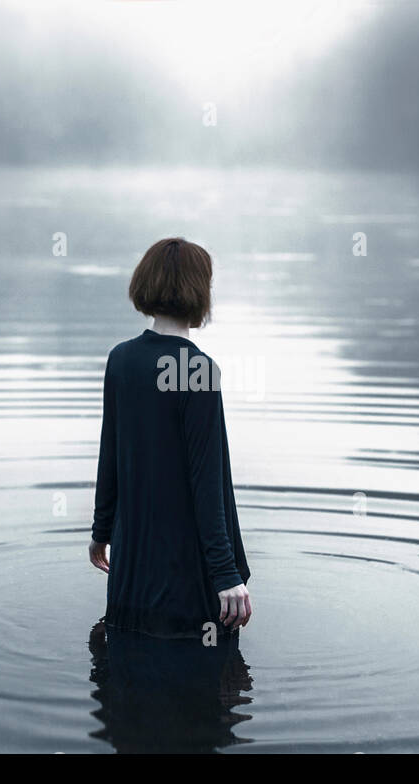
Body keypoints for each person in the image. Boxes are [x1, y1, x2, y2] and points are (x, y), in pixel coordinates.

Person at [88, 237, 252, 640]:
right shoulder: (197, 369)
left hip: (130, 577)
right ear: (200, 292)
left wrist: (100, 531)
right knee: (205, 692)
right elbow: (206, 482)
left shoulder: (121, 359)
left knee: (123, 690)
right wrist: (226, 575)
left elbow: (109, 454)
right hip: (187, 586)